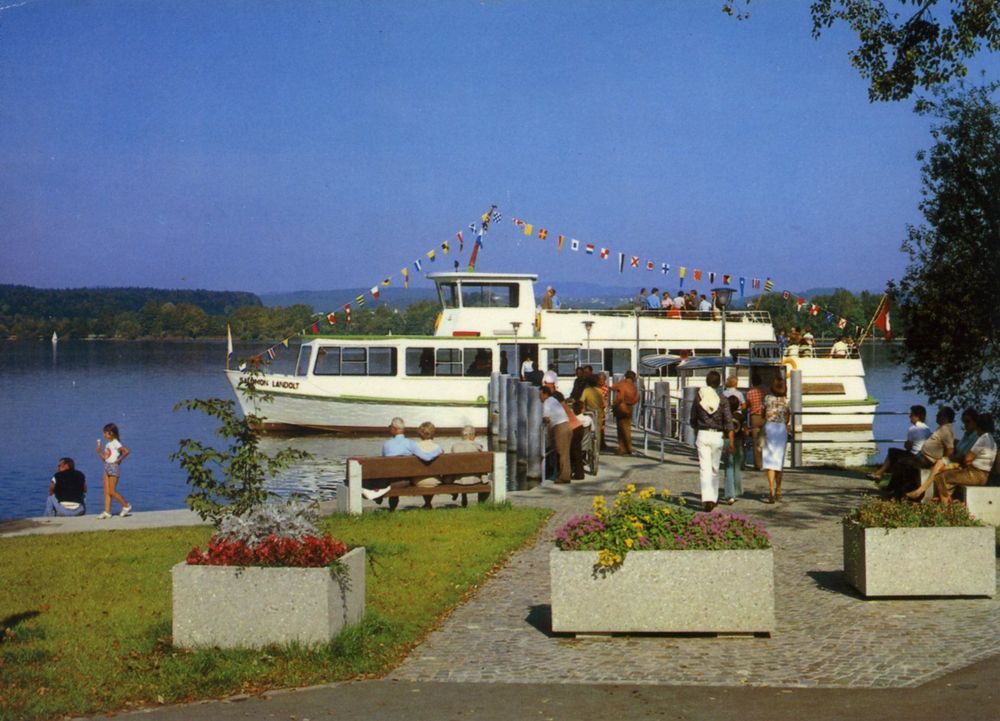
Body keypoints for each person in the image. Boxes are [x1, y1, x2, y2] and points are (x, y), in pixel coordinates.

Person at [364, 417, 443, 507]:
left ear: (394, 429)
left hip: (389, 480)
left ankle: (390, 507)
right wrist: (438, 451)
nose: (389, 428)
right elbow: (427, 457)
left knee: (390, 475)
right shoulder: (411, 444)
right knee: (398, 476)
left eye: (390, 427)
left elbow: (384, 463)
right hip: (404, 481)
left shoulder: (387, 444)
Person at [907, 407, 979, 501]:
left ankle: (921, 491)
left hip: (964, 464)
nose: (965, 425)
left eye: (968, 421)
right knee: (937, 466)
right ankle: (935, 495)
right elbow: (957, 447)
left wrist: (949, 459)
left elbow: (965, 456)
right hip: (955, 459)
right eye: (964, 422)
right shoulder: (966, 435)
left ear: (975, 422)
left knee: (940, 463)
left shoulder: (976, 436)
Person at [884, 406, 954, 500]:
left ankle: (898, 493)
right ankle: (895, 491)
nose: (936, 415)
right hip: (922, 456)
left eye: (939, 414)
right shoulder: (941, 428)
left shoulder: (946, 430)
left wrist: (943, 462)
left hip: (927, 459)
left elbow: (950, 450)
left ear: (945, 417)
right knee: (899, 459)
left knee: (902, 463)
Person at [691, 370, 734, 512]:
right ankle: (714, 497)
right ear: (719, 383)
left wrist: (696, 427)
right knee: (715, 468)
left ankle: (707, 498)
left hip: (703, 433)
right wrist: (731, 440)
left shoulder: (699, 397)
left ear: (706, 381)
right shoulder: (722, 399)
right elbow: (728, 421)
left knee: (704, 468)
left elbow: (692, 417)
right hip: (717, 435)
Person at [934, 413, 997, 503]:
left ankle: (945, 509)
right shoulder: (992, 440)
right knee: (948, 480)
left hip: (975, 474)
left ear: (979, 426)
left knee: (941, 477)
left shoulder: (983, 439)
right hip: (984, 475)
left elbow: (967, 458)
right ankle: (950, 503)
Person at [866, 405, 932, 485]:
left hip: (915, 456)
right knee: (895, 454)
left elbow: (908, 447)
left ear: (917, 416)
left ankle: (879, 474)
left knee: (892, 451)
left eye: (911, 414)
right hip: (922, 455)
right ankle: (880, 474)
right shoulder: (927, 429)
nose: (909, 416)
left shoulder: (913, 428)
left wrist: (906, 445)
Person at [763, 378, 791, 504]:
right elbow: (787, 417)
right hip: (781, 429)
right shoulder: (786, 400)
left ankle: (771, 490)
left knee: (769, 461)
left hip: (769, 427)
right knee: (779, 461)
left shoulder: (767, 398)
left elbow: (763, 413)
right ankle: (779, 489)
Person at [96, 423, 130, 519]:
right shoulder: (108, 444)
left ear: (111, 433)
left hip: (113, 467)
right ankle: (107, 511)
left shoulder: (115, 442)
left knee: (112, 491)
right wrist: (99, 452)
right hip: (107, 466)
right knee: (106, 491)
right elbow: (105, 459)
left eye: (105, 433)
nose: (104, 435)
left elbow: (126, 451)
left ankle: (126, 505)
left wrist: (119, 460)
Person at [450, 425, 488, 507]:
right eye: (475, 435)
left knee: (459, 471)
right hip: (474, 479)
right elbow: (482, 465)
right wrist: (484, 478)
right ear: (471, 435)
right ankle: (482, 503)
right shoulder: (477, 447)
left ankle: (461, 495)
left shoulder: (455, 446)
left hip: (458, 480)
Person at [540, 385, 572, 483]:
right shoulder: (554, 400)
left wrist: (540, 421)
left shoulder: (546, 402)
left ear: (545, 394)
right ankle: (562, 474)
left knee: (562, 453)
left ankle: (564, 477)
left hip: (560, 428)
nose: (539, 397)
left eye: (540, 394)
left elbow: (546, 418)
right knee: (564, 453)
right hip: (566, 425)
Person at [411, 421, 444, 509]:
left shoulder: (415, 447)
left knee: (422, 476)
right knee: (431, 476)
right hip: (435, 480)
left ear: (420, 434)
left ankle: (427, 503)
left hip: (418, 481)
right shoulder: (438, 448)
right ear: (433, 434)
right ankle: (428, 503)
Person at [721, 395, 745, 505]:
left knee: (728, 467)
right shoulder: (740, 417)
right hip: (738, 442)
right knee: (736, 467)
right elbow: (744, 430)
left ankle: (730, 494)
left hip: (727, 441)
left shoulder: (725, 417)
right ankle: (737, 490)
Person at [611, 370, 639, 455]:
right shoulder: (633, 386)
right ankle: (628, 447)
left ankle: (622, 449)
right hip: (630, 407)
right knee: (627, 428)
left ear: (626, 376)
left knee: (621, 429)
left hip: (622, 407)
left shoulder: (623, 384)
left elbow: (618, 394)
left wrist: (614, 405)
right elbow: (636, 398)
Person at [746, 372, 766, 471]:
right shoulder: (763, 392)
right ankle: (765, 463)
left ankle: (757, 464)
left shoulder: (750, 393)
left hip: (754, 417)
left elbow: (748, 405)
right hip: (763, 416)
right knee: (763, 441)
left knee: (755, 441)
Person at [579, 375, 605, 452]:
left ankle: (588, 448)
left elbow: (582, 401)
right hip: (599, 412)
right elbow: (603, 403)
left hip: (589, 412)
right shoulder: (600, 391)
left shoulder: (586, 390)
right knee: (598, 432)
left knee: (588, 431)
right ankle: (597, 449)